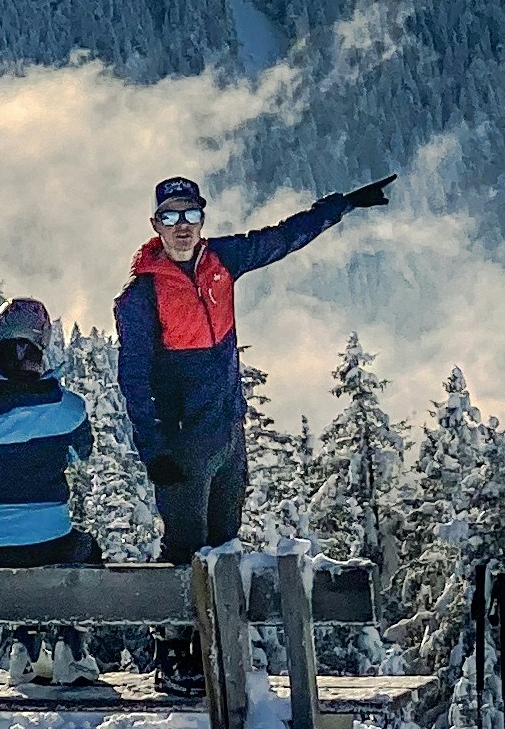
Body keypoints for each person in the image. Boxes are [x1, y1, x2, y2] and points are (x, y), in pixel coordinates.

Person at [116, 170, 392, 689]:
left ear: (202, 219)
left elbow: (282, 237)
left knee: (224, 547)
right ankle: (172, 658)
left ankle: (216, 655)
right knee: (184, 550)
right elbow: (133, 379)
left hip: (227, 435)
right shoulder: (141, 296)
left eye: (190, 214)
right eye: (171, 217)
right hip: (182, 445)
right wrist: (153, 450)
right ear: (155, 224)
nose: (182, 226)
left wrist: (343, 205)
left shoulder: (222, 260)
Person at [0, 296, 103, 692]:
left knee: (15, 554)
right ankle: (71, 648)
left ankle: (26, 649)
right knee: (84, 552)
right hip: (50, 539)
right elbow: (84, 452)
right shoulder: (68, 407)